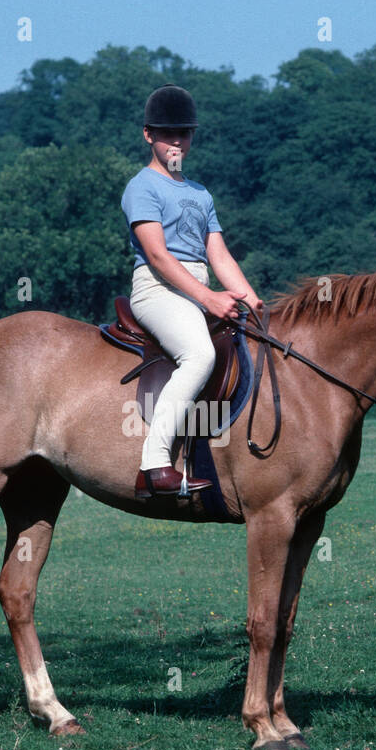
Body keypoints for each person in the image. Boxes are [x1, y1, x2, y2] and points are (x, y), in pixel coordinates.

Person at [121, 83, 263, 498]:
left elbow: (219, 256)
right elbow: (158, 256)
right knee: (198, 354)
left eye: (185, 133)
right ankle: (154, 464)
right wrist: (210, 299)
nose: (177, 141)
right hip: (158, 289)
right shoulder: (142, 187)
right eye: (168, 134)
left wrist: (252, 300)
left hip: (196, 288)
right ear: (149, 135)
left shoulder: (201, 193)